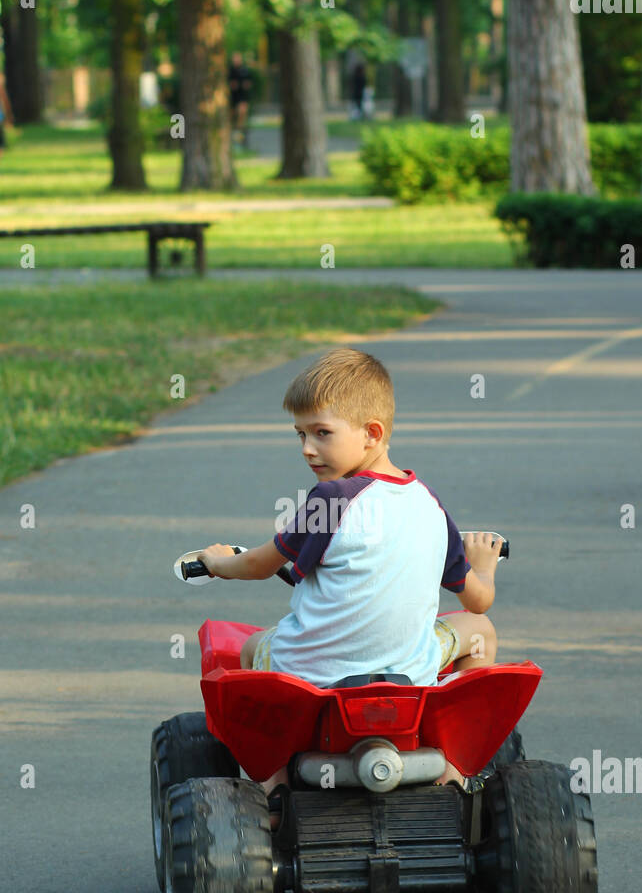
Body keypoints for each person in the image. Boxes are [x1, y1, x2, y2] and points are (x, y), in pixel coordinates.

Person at [196, 348, 502, 816]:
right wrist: (484, 564)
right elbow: (479, 600)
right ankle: (455, 769)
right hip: (408, 677)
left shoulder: (331, 498)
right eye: (300, 434)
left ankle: (274, 784)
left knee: (250, 647)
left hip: (311, 678)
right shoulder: (431, 507)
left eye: (322, 433)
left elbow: (259, 564)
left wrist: (218, 563)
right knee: (480, 633)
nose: (306, 448)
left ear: (372, 433)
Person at [228, 51, 253, 146]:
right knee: (232, 116)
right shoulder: (230, 70)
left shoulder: (245, 70)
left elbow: (249, 83)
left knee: (242, 114)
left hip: (243, 97)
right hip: (233, 98)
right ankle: (234, 133)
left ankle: (240, 134)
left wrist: (244, 85)